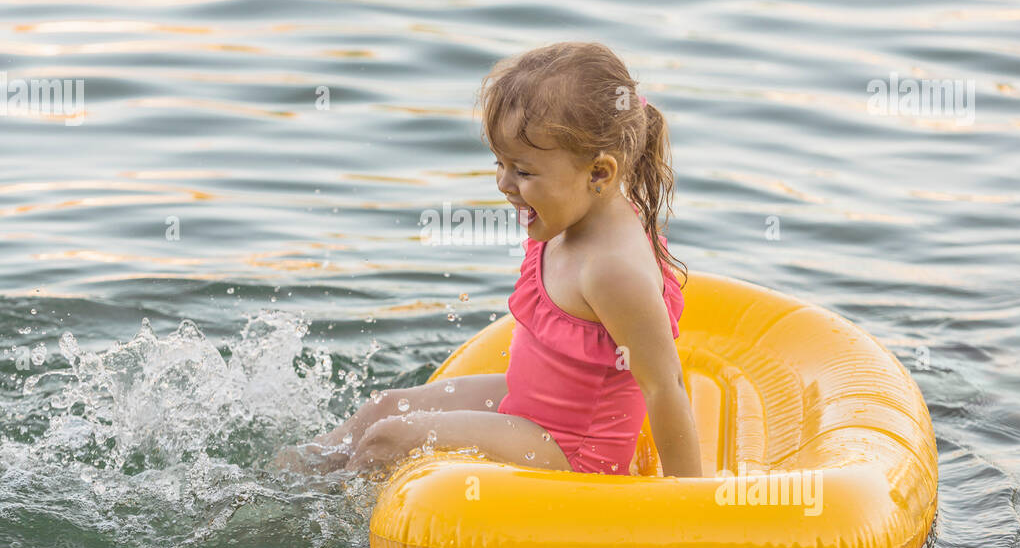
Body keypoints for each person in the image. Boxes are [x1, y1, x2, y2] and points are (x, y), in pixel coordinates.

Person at [275, 41, 702, 478]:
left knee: (389, 440)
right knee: (381, 410)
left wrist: (691, 510)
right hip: (533, 409)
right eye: (499, 163)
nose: (503, 183)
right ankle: (279, 481)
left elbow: (665, 387)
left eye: (523, 171)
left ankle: (320, 526)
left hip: (572, 453)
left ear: (599, 172)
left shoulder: (612, 269)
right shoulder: (568, 219)